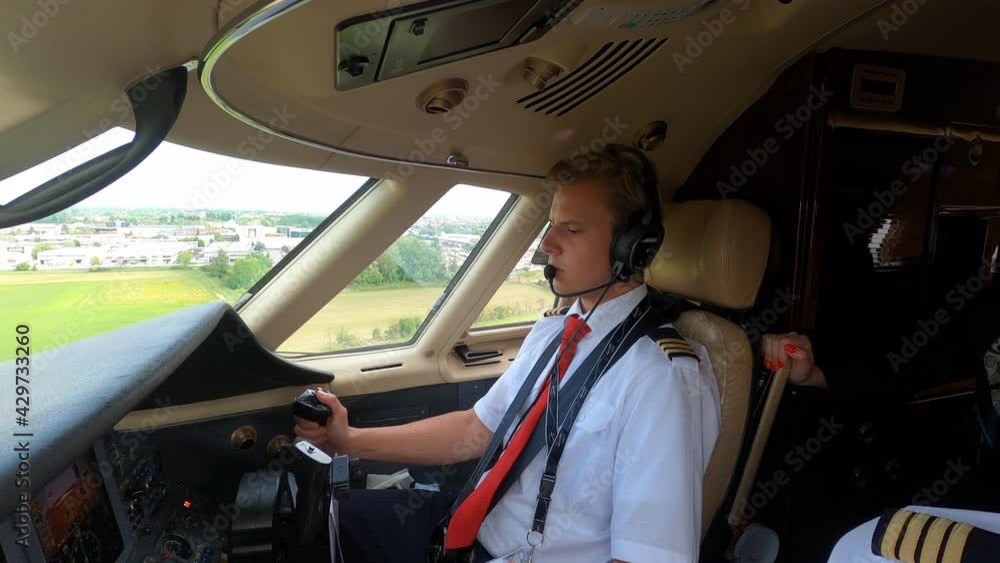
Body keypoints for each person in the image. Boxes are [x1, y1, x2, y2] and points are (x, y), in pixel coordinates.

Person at [294, 145, 722, 563]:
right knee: (327, 521)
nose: (547, 244)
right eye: (551, 224)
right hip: (472, 528)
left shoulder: (661, 378)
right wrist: (348, 441)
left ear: (632, 247)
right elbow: (477, 430)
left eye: (571, 229)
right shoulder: (557, 329)